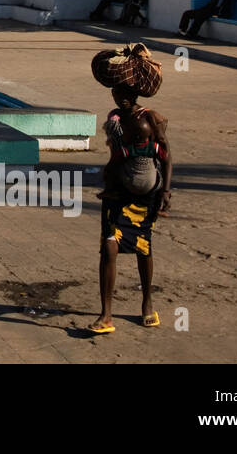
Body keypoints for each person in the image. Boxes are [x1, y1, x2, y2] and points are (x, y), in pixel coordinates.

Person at [91, 83, 172, 334]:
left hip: (145, 197)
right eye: (118, 94)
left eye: (126, 95)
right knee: (108, 246)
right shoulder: (114, 119)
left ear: (135, 94)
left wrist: (166, 191)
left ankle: (147, 304)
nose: (122, 99)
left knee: (143, 247)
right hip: (118, 192)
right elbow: (115, 158)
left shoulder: (150, 118)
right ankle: (106, 315)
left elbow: (167, 156)